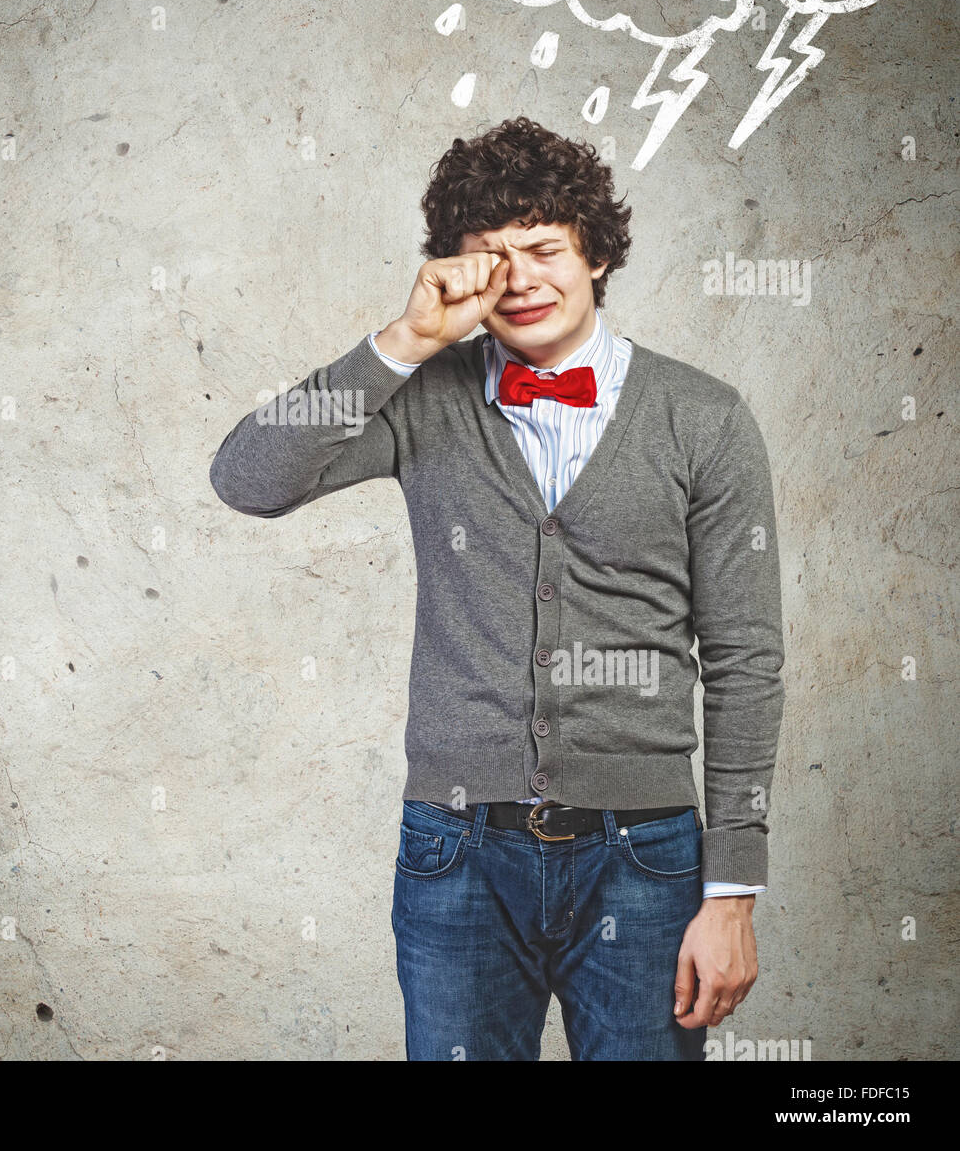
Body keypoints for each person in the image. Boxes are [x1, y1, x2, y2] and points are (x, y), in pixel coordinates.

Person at [208, 116, 785, 1060]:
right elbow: (247, 478)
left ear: (596, 254)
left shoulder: (704, 417)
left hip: (644, 854)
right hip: (456, 848)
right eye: (487, 260)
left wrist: (732, 892)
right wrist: (400, 342)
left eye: (544, 249)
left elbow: (745, 662)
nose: (519, 279)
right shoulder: (427, 395)